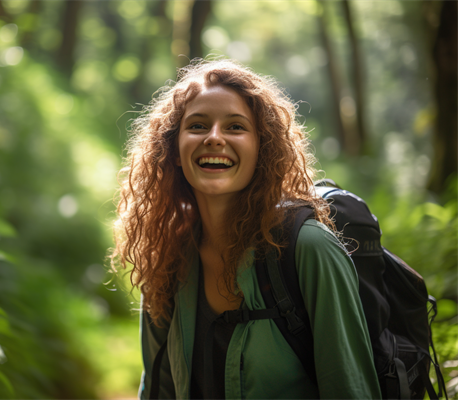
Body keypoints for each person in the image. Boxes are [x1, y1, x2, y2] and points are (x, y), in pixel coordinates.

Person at [110, 59, 381, 400]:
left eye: (235, 127)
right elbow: (158, 387)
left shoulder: (309, 249)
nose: (214, 138)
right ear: (174, 151)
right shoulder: (169, 256)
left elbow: (350, 389)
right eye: (197, 125)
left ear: (262, 149)